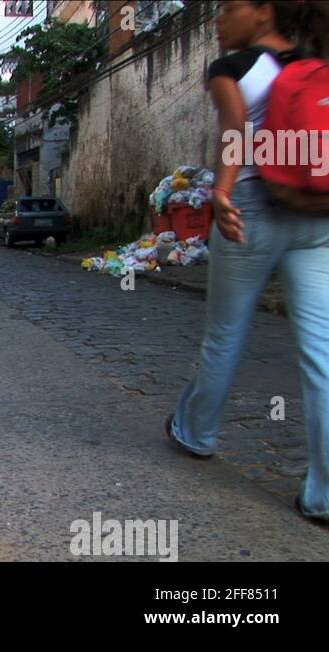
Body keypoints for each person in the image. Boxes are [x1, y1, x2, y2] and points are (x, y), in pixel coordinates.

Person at [166, 0, 329, 523]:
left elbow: (235, 130)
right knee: (322, 355)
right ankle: (323, 495)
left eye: (229, 8)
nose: (217, 19)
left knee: (225, 334)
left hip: (253, 210)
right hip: (316, 214)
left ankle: (195, 431)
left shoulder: (232, 67)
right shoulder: (316, 62)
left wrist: (223, 194)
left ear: (263, 13)